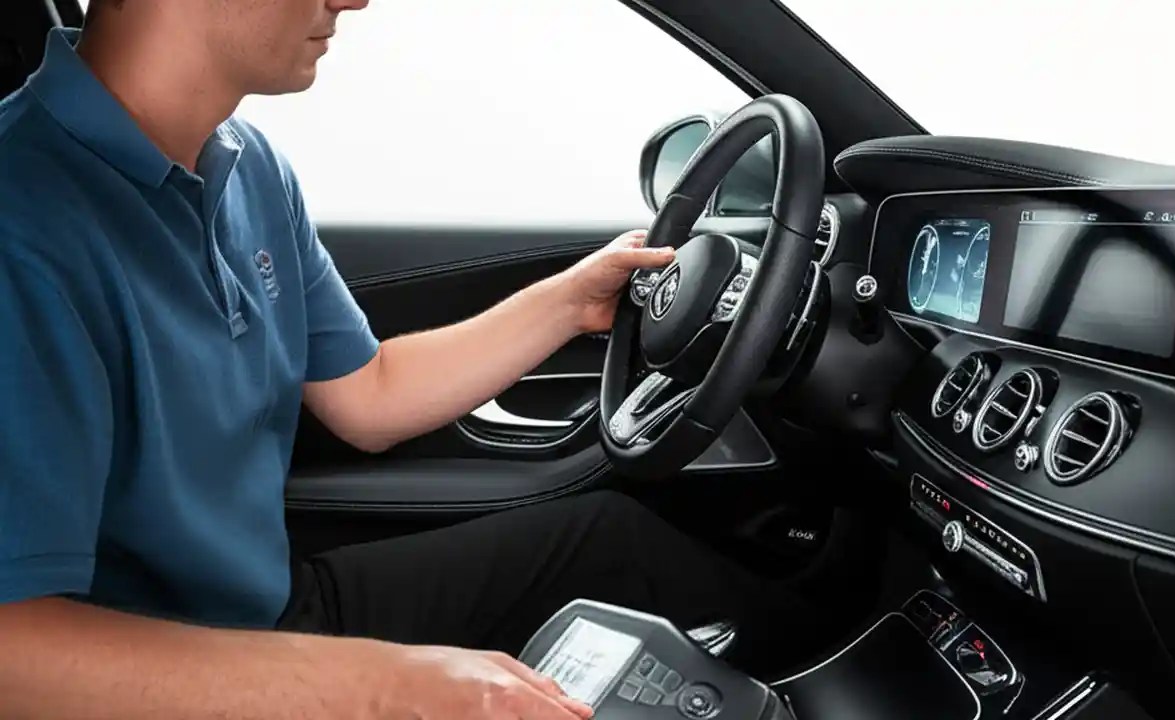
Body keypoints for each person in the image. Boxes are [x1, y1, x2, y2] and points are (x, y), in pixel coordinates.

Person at [0, 1, 832, 717]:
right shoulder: (23, 221)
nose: (356, 1)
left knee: (617, 546)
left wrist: (571, 299)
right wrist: (382, 687)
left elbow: (368, 394)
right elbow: (15, 654)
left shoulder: (248, 168)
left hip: (272, 612)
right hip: (144, 675)